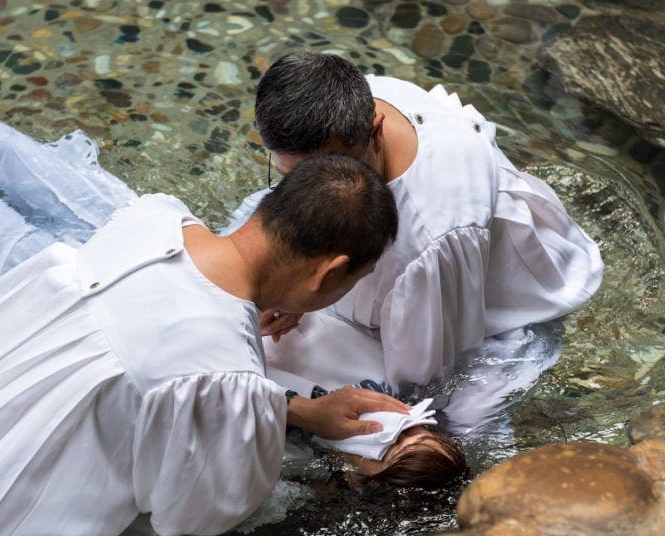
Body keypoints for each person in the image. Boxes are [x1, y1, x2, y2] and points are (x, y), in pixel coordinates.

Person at [0, 20, 413, 536]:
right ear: (326, 273)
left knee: (68, 202)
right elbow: (192, 515)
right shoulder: (227, 381)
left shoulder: (157, 219)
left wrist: (296, 409)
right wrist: (299, 442)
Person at [225, 53, 604, 391]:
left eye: (328, 171)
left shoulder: (429, 238)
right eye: (292, 175)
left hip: (490, 309)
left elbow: (423, 375)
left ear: (374, 131)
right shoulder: (339, 102)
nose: (309, 191)